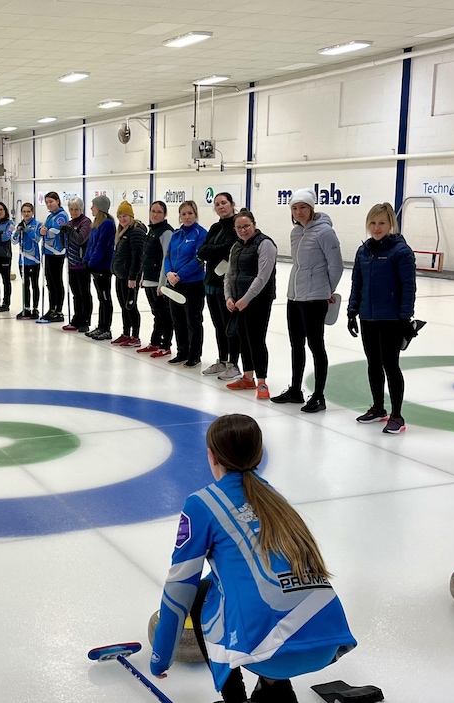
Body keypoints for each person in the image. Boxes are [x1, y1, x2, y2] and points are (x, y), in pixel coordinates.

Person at [151, 414, 356, 703]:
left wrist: (161, 657)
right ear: (259, 453)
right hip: (326, 641)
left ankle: (235, 698)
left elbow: (179, 588)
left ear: (211, 457)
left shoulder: (202, 504)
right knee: (237, 587)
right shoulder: (273, 497)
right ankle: (275, 689)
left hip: (274, 655)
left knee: (199, 596)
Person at [346, 203, 417, 435]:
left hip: (392, 319)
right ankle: (378, 408)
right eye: (373, 223)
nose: (376, 228)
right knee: (373, 364)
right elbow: (357, 283)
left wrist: (405, 318)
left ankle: (397, 414)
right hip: (368, 317)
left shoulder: (401, 251)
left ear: (391, 225)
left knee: (390, 365)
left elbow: (408, 287)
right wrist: (352, 311)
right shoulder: (363, 251)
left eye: (382, 223)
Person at [271, 189, 342, 413]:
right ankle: (295, 390)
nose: (298, 211)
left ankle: (319, 395)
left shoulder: (325, 232)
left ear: (311, 208)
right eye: (294, 208)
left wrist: (327, 289)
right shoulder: (296, 233)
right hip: (295, 296)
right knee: (296, 345)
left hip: (315, 298)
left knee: (316, 346)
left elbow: (336, 266)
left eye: (302, 207)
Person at [223, 210, 278, 400]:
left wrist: (246, 299)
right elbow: (229, 274)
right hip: (239, 301)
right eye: (239, 227)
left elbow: (263, 277)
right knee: (243, 338)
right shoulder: (236, 246)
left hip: (258, 301)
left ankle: (262, 381)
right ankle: (247, 377)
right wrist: (229, 297)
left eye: (246, 226)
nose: (243, 230)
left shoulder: (265, 244)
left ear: (254, 224)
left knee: (256, 339)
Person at [200, 193, 242, 381]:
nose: (221, 206)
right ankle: (223, 360)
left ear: (232, 204)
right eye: (217, 204)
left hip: (226, 285)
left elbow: (229, 249)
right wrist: (212, 251)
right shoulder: (216, 227)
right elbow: (201, 250)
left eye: (224, 203)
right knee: (218, 325)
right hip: (210, 282)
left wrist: (211, 251)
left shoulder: (237, 227)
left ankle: (234, 363)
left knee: (229, 325)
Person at [164, 200, 207, 367]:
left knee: (193, 320)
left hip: (193, 283)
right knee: (178, 319)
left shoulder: (201, 233)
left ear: (195, 214)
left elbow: (198, 259)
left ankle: (194, 354)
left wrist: (179, 275)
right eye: (184, 214)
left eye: (190, 213)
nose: (187, 217)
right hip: (174, 283)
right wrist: (168, 273)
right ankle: (182, 351)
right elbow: (167, 256)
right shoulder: (176, 234)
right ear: (179, 216)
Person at [137, 201, 174, 358]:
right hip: (149, 280)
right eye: (153, 211)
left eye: (159, 212)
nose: (155, 214)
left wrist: (162, 284)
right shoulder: (152, 231)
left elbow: (166, 259)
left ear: (164, 214)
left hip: (159, 282)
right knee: (156, 314)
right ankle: (155, 342)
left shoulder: (166, 232)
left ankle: (165, 345)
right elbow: (147, 256)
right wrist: (143, 278)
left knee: (164, 315)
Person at [111, 200, 147, 346]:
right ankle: (126, 333)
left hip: (129, 277)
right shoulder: (122, 231)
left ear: (131, 216)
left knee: (131, 305)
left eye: (125, 215)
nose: (122, 219)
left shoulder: (136, 232)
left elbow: (138, 257)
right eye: (119, 216)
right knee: (123, 306)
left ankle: (135, 336)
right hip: (121, 275)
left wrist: (133, 276)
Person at [84, 195, 117, 340]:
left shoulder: (107, 224)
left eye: (93, 205)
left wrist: (92, 263)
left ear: (100, 207)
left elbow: (101, 246)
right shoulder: (96, 224)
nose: (91, 208)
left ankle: (106, 328)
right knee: (101, 298)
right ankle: (100, 326)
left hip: (103, 267)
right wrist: (86, 260)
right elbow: (91, 244)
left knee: (105, 298)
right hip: (96, 266)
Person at [63, 197, 93, 332]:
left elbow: (81, 239)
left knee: (84, 293)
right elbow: (65, 243)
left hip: (82, 264)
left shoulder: (86, 222)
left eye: (76, 209)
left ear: (81, 209)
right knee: (76, 293)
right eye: (71, 209)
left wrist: (69, 231)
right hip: (71, 263)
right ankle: (77, 317)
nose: (73, 212)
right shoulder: (70, 223)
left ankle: (85, 320)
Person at [39, 192, 70, 322]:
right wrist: (43, 231)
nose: (49, 204)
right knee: (50, 281)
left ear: (57, 201)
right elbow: (43, 230)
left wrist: (44, 231)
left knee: (56, 281)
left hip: (57, 252)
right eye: (47, 202)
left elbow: (53, 232)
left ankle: (58, 310)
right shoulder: (50, 216)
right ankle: (52, 308)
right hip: (48, 252)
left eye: (51, 201)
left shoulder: (62, 215)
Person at [15, 202, 42, 320]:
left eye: (28, 211)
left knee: (34, 284)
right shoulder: (19, 225)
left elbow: (37, 239)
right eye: (24, 212)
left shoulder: (37, 224)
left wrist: (27, 230)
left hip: (34, 260)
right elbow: (14, 241)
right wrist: (17, 231)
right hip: (22, 261)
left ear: (33, 212)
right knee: (25, 285)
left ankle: (35, 309)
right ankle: (26, 308)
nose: (26, 214)